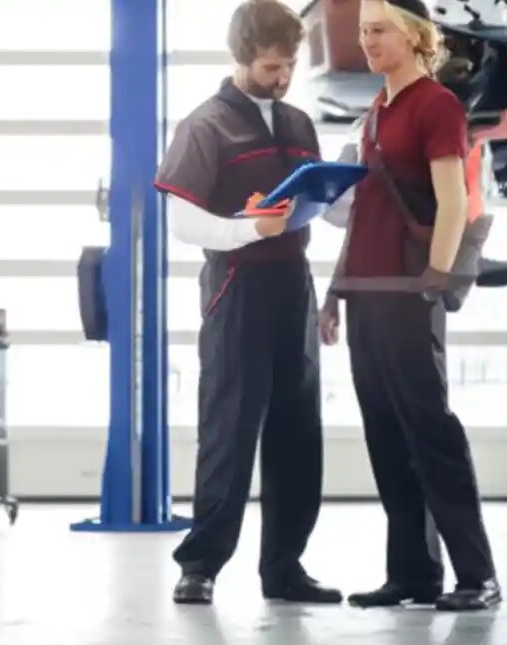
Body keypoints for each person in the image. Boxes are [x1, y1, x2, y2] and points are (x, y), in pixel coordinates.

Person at [153, 0, 341, 606]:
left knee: (297, 430)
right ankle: (201, 565)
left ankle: (284, 567)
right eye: (270, 67)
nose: (282, 78)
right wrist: (245, 229)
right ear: (239, 58)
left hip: (293, 285)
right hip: (236, 286)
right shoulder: (205, 126)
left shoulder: (297, 123)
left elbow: (320, 201)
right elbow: (183, 221)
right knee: (229, 429)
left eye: (289, 66)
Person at [319, 0, 502, 612]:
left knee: (431, 434)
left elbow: (452, 202)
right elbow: (364, 213)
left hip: (407, 293)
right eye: (363, 31)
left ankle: (477, 576)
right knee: (387, 437)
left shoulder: (435, 105)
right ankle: (413, 574)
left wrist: (436, 278)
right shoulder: (376, 112)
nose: (367, 41)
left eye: (379, 31)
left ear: (417, 37)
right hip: (367, 296)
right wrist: (334, 293)